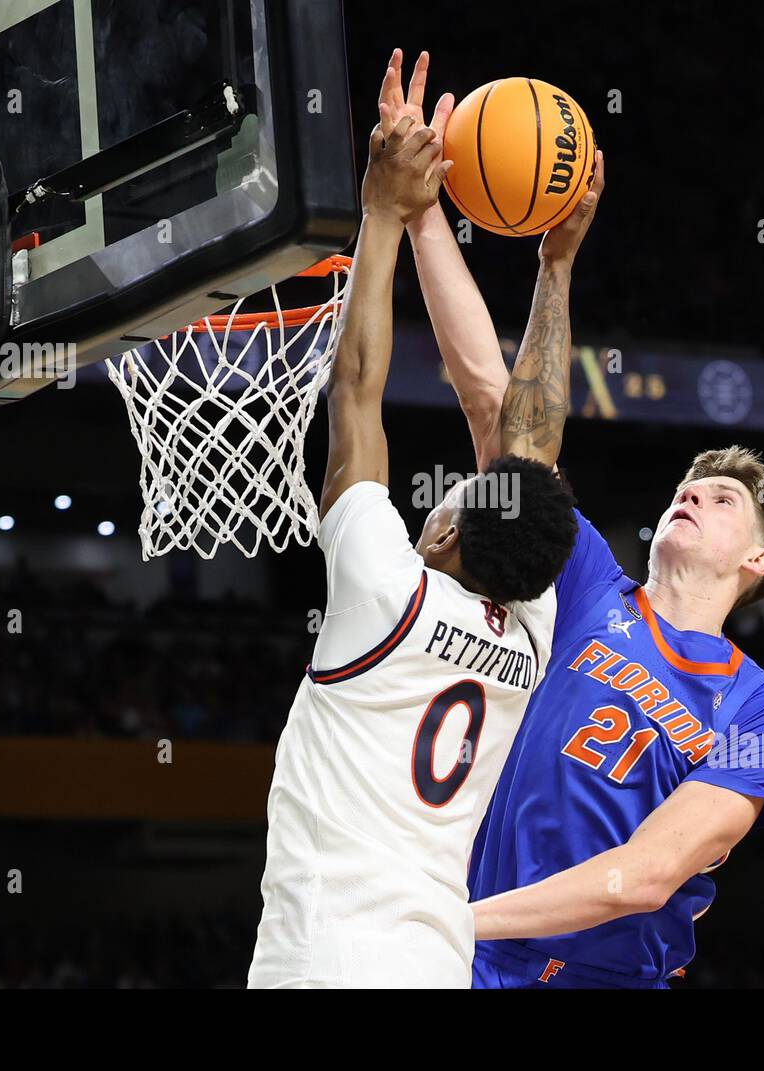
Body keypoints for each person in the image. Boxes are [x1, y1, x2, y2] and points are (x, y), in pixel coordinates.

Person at [392, 50, 764, 990]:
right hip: (467, 962)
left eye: (723, 499)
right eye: (688, 487)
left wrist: (443, 919)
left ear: (756, 561)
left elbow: (644, 875)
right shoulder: (592, 591)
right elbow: (501, 417)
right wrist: (427, 214)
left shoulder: (763, 714)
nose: (690, 494)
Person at [247, 62, 578, 989]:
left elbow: (368, 386)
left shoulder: (389, 596)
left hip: (325, 963)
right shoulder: (530, 629)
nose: (441, 498)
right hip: (433, 964)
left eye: (453, 501)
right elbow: (512, 445)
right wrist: (528, 261)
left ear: (448, 539)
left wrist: (385, 210)